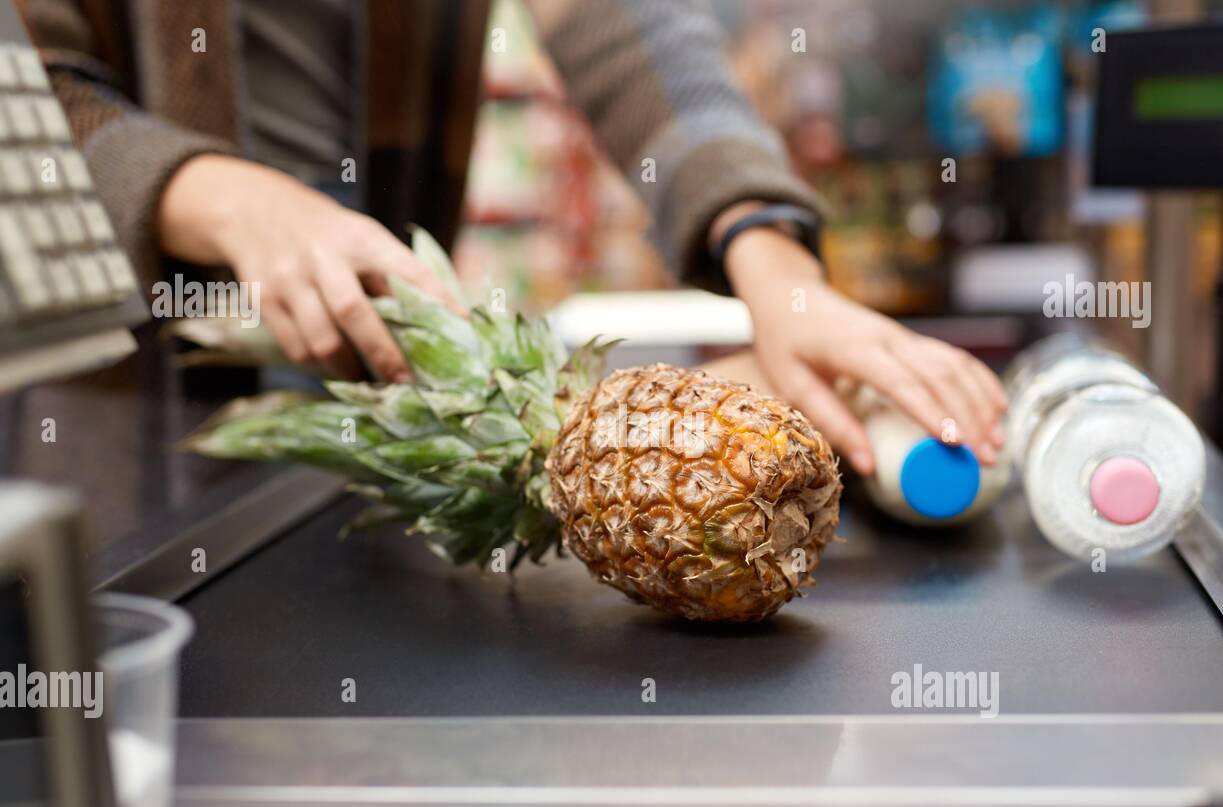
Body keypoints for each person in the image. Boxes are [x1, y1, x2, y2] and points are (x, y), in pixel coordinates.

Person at [22, 0, 1005, 474]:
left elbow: (631, 28)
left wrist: (768, 251)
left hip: (390, 392)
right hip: (118, 412)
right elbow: (22, 83)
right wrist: (235, 202)